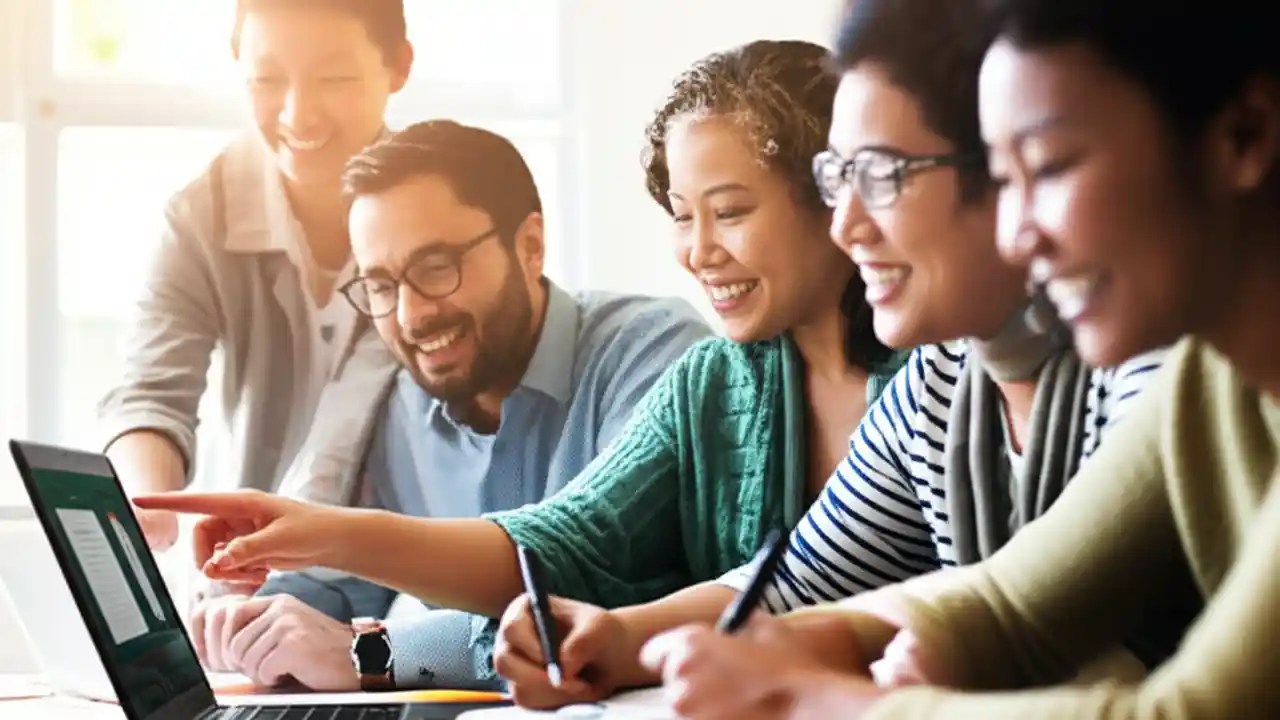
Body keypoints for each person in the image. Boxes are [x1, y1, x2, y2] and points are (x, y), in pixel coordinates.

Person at [135, 38, 906, 683]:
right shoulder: (718, 383)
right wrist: (312, 532)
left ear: (833, 194)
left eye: (730, 213)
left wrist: (381, 646)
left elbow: (804, 594)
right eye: (680, 217)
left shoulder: (925, 382)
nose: (699, 252)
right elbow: (568, 540)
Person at [489, 0, 1176, 709]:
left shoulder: (1152, 370)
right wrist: (619, 641)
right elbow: (806, 583)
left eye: (881, 176)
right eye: (837, 178)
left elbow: (1128, 667)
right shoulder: (941, 381)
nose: (845, 225)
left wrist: (823, 693)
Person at [641, 1, 1280, 718]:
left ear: (1244, 136)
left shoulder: (1162, 370)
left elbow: (1195, 711)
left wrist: (817, 698)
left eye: (1051, 167)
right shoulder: (1208, 379)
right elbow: (1007, 603)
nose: (1016, 234)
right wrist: (821, 647)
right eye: (1004, 180)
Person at [186, 120, 711, 692]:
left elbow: (607, 595)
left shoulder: (655, 353)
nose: (411, 317)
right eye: (381, 285)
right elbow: (337, 589)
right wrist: (246, 613)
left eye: (437, 268)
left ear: (530, 245)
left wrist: (369, 653)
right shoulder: (395, 407)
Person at [98, 0, 412, 551]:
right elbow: (151, 394)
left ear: (398, 67)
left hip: (404, 584)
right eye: (267, 79)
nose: (298, 114)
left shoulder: (439, 217)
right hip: (247, 579)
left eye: (334, 78)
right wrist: (146, 508)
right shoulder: (202, 216)